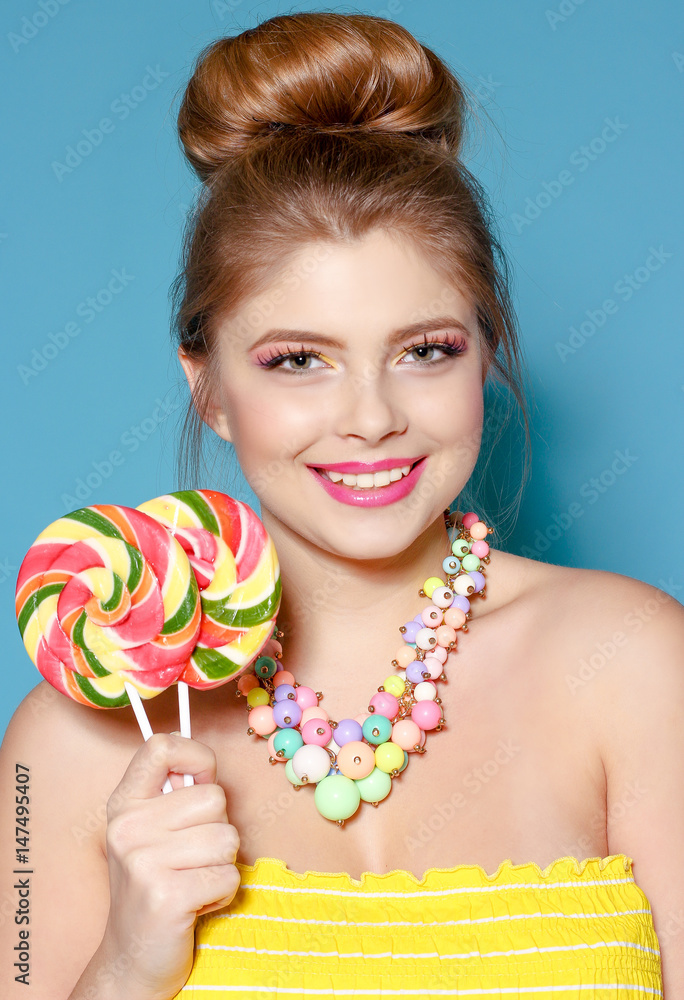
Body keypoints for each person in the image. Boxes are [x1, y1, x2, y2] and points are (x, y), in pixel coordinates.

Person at [1, 11, 682, 999]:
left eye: (425, 350)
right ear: (209, 388)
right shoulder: (65, 744)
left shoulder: (638, 665)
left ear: (485, 355)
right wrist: (127, 965)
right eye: (298, 361)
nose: (371, 418)